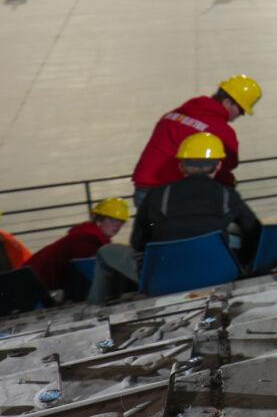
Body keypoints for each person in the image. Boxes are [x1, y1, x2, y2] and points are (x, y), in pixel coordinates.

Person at [92, 135, 263, 303]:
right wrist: (242, 264)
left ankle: (98, 306)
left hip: (164, 280)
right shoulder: (228, 195)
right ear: (218, 165)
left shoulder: (157, 195)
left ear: (181, 166)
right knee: (234, 234)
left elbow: (138, 242)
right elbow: (255, 233)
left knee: (107, 251)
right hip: (219, 274)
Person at [132, 76, 260, 201]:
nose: (241, 114)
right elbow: (223, 169)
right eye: (241, 109)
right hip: (173, 196)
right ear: (227, 102)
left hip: (143, 189)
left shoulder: (177, 113)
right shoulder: (222, 131)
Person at [25, 199, 131, 298]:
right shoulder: (85, 240)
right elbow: (90, 274)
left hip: (33, 281)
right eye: (112, 220)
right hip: (31, 285)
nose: (117, 225)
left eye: (121, 222)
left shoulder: (91, 237)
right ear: (99, 219)